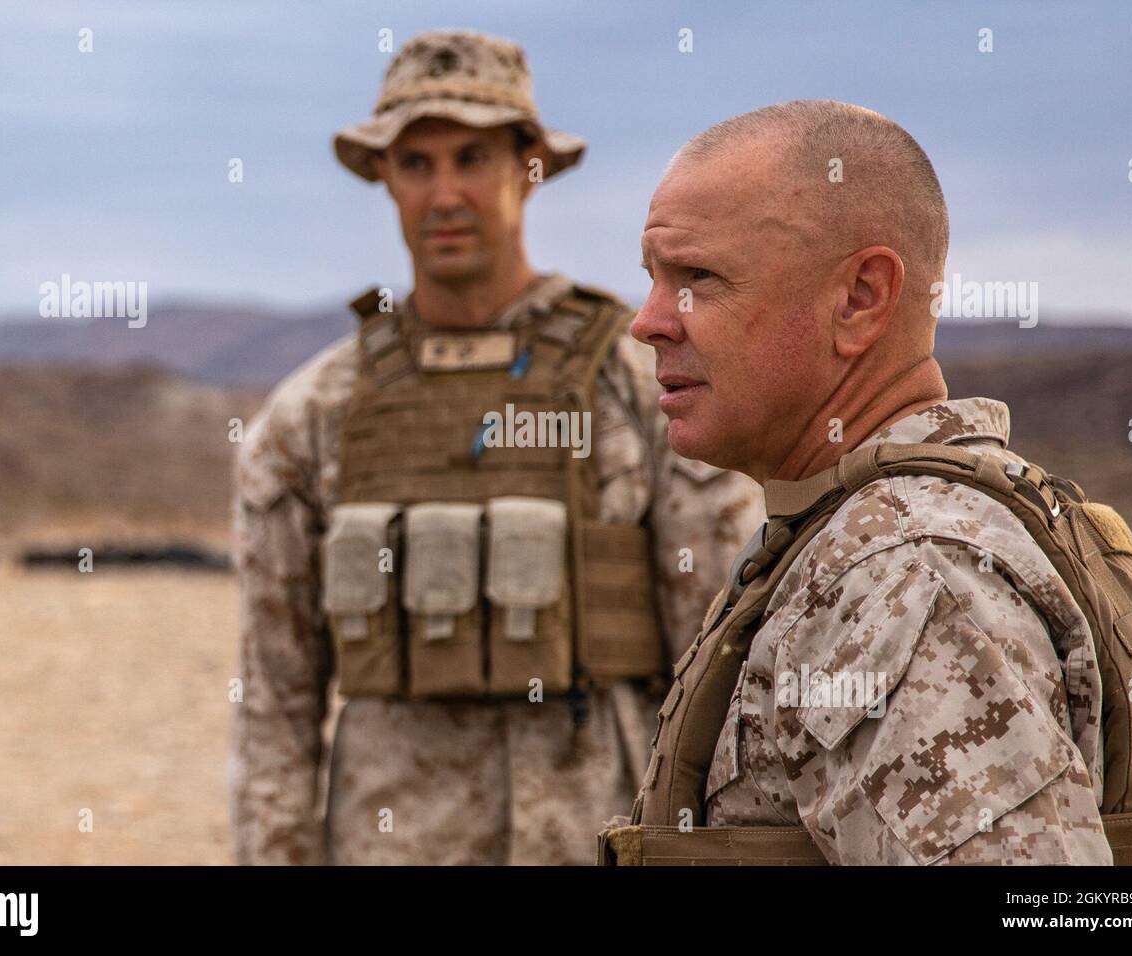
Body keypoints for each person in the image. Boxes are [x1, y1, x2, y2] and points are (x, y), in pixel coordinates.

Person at [228, 30, 761, 865]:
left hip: (599, 836)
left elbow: (723, 671)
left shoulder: (642, 388)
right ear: (382, 177)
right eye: (416, 164)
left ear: (529, 168)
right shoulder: (313, 416)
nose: (445, 194)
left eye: (473, 158)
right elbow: (274, 707)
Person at [607, 100, 1132, 866]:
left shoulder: (907, 574)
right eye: (653, 279)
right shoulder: (865, 535)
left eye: (698, 279)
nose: (649, 322)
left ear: (861, 299)